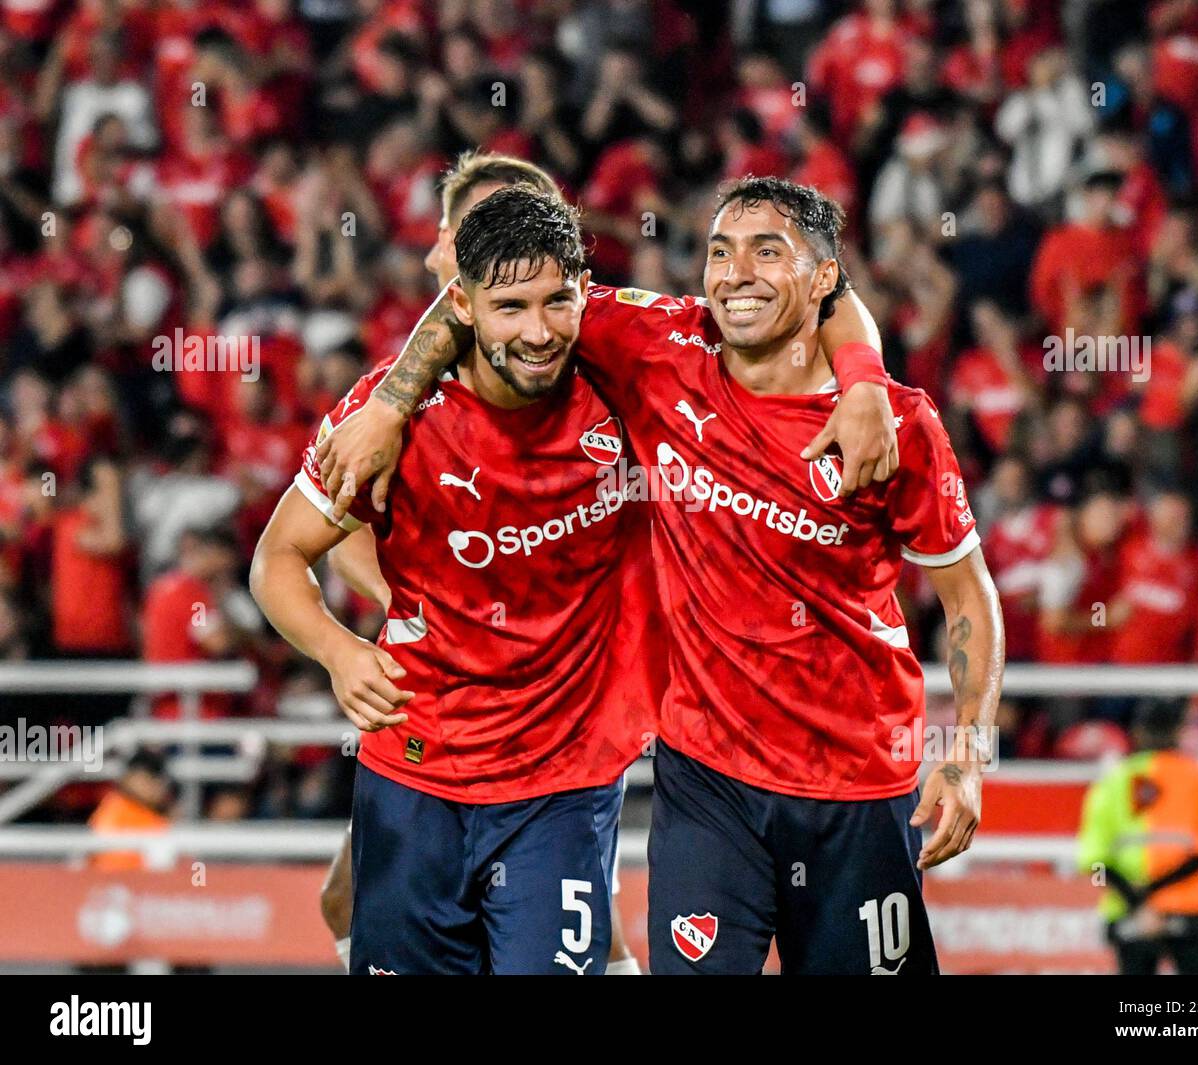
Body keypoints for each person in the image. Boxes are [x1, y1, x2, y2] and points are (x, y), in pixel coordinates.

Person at [316, 177, 1002, 975]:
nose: (735, 272)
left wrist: (967, 756)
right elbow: (485, 291)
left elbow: (970, 600)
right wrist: (393, 403)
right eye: (719, 252)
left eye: (766, 252)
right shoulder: (658, 348)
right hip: (705, 780)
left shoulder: (896, 425)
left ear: (822, 281)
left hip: (856, 783)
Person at [252, 188, 651, 974]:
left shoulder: (629, 381)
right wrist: (338, 651)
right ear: (461, 303)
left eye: (557, 302)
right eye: (510, 307)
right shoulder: (382, 421)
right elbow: (277, 558)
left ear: (585, 293)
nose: (539, 331)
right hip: (417, 771)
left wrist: (867, 383)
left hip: (560, 782)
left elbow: (763, 312)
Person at [1077, 700, 1198, 975]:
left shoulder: (1111, 782)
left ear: (1137, 732)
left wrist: (1140, 903)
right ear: (1178, 732)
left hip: (1129, 912)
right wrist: (1157, 895)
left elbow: (1095, 862)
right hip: (1190, 907)